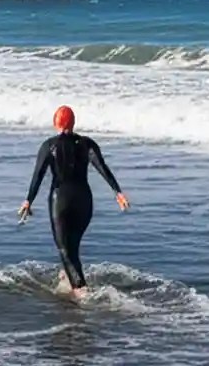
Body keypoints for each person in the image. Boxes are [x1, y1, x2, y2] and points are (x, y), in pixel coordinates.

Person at [18, 105, 129, 298]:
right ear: (74, 122)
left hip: (60, 200)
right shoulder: (87, 144)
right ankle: (70, 280)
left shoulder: (49, 145)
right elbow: (101, 167)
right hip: (84, 201)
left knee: (64, 249)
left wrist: (29, 200)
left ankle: (81, 292)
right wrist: (117, 192)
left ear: (55, 123)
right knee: (73, 247)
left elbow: (38, 175)